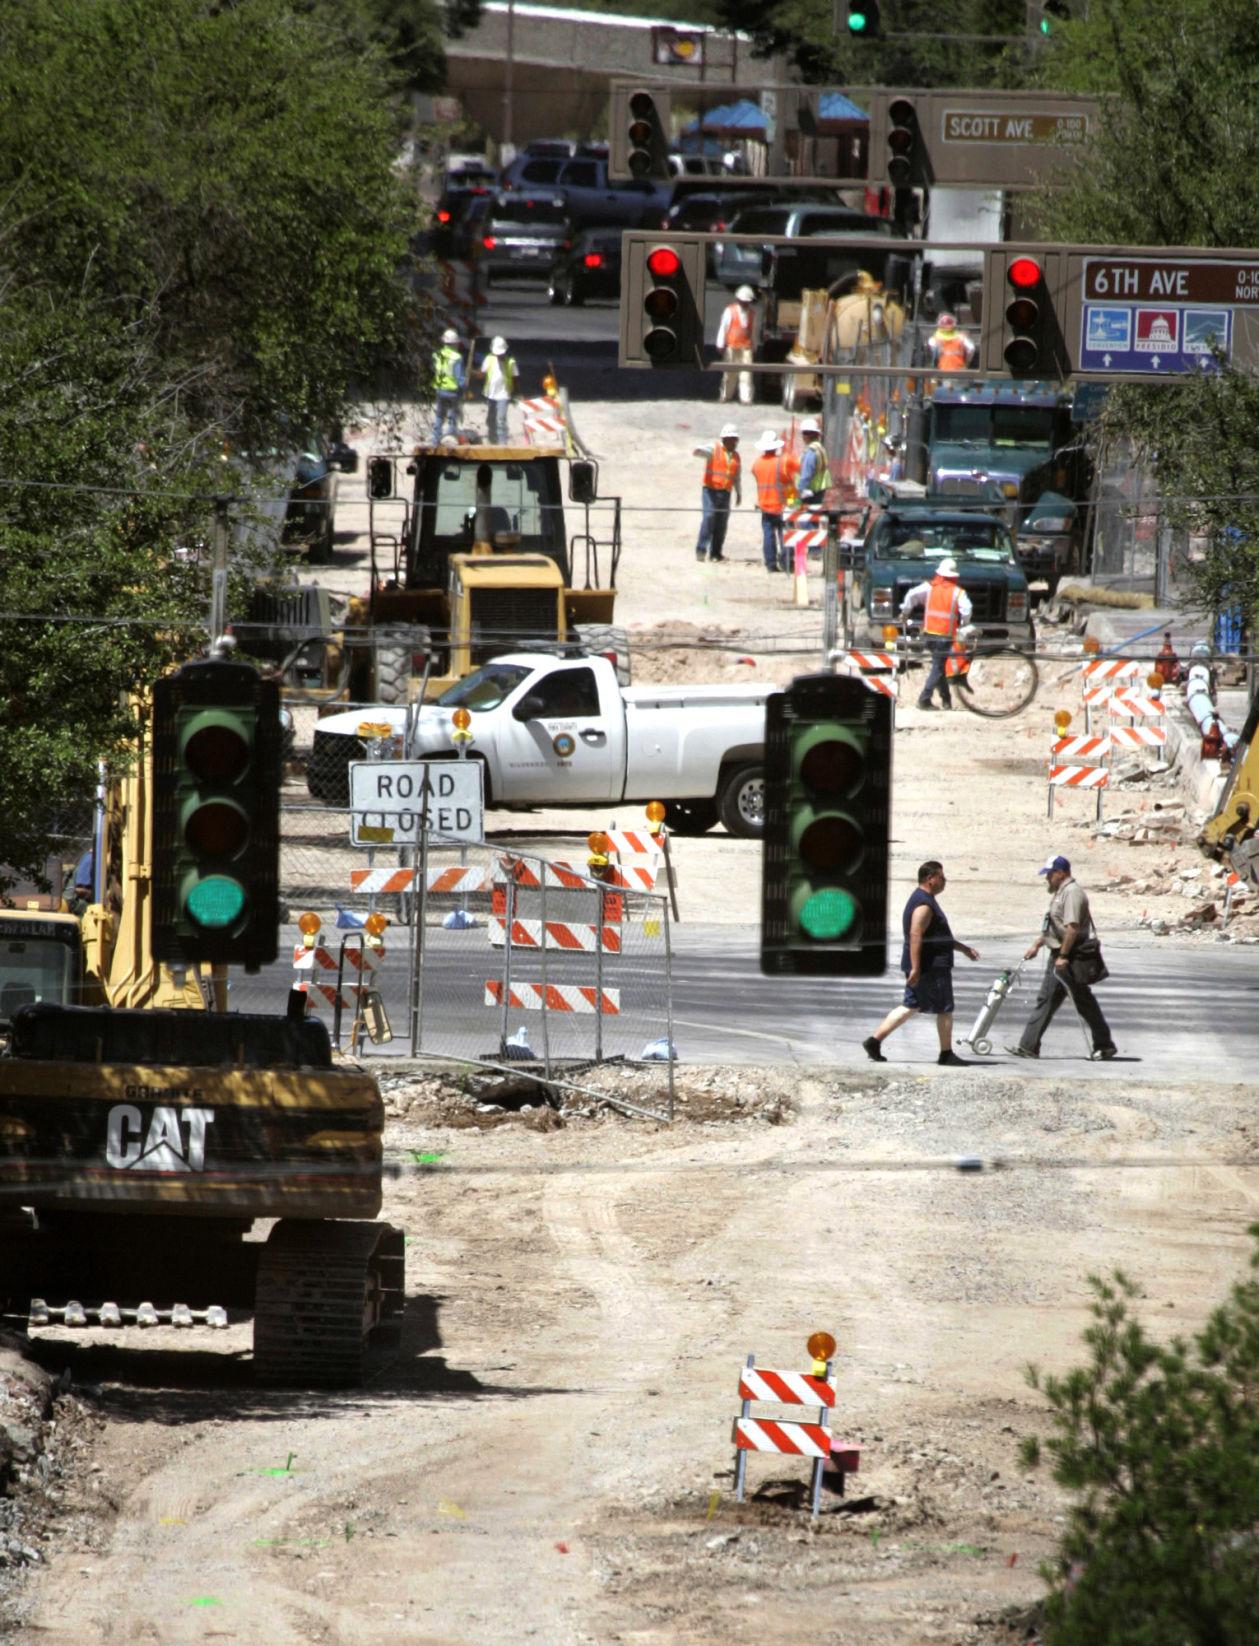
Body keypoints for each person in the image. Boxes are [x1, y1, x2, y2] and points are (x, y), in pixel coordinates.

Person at [863, 860, 980, 1066]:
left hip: (925, 965)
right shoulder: (924, 904)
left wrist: (964, 949)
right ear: (930, 879)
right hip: (930, 967)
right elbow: (916, 934)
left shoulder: (925, 900)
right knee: (945, 1008)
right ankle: (946, 1053)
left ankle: (874, 1041)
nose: (945, 881)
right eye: (942, 878)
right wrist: (916, 967)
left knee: (910, 1005)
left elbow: (937, 936)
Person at [1007, 855, 1117, 1062]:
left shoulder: (1073, 893)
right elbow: (1055, 926)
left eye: (1050, 874)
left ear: (1061, 873)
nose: (1047, 878)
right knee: (1062, 1000)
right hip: (1061, 954)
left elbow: (1072, 928)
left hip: (1070, 956)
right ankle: (1029, 1046)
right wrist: (1038, 945)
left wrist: (1063, 956)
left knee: (1074, 1001)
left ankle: (1103, 1045)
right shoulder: (1062, 892)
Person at [901, 556, 971, 711]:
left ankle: (946, 700)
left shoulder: (929, 587)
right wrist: (964, 625)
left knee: (938, 666)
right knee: (938, 667)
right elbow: (967, 610)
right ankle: (924, 699)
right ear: (954, 576)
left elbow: (911, 595)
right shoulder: (958, 592)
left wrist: (905, 613)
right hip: (945, 636)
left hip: (929, 634)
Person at [692, 425, 742, 562]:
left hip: (725, 492)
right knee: (709, 517)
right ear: (726, 439)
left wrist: (738, 493)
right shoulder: (714, 449)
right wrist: (700, 450)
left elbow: (736, 476)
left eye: (736, 440)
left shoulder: (736, 457)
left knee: (721, 523)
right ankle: (701, 550)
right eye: (732, 439)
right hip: (710, 490)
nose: (735, 443)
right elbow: (697, 452)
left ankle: (716, 553)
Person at [750, 429, 795, 572]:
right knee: (785, 534)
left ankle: (770, 564)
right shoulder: (781, 463)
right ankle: (786, 562)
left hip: (765, 505)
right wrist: (794, 503)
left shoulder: (757, 464)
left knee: (768, 535)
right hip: (781, 506)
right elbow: (789, 484)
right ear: (775, 447)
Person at [717, 285, 757, 406]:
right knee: (729, 374)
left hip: (746, 348)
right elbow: (723, 328)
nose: (746, 303)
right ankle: (725, 396)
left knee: (746, 375)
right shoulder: (730, 311)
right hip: (732, 347)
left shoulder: (751, 314)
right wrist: (720, 344)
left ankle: (745, 398)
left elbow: (753, 331)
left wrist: (754, 346)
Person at [477, 335, 518, 444]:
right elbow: (481, 374)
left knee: (501, 420)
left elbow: (515, 378)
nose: (499, 356)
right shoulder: (489, 359)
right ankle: (492, 440)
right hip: (491, 394)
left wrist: (515, 393)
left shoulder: (511, 362)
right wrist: (476, 373)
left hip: (504, 395)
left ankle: (502, 443)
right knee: (490, 419)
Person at [432, 328, 465, 443]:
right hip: (452, 391)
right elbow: (459, 377)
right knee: (452, 416)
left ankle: (435, 441)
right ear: (455, 343)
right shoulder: (456, 357)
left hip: (440, 389)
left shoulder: (437, 355)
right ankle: (450, 440)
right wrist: (463, 389)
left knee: (439, 416)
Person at [796, 417, 830, 501]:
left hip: (809, 492)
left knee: (795, 508)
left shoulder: (811, 451)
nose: (803, 436)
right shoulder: (820, 448)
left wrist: (798, 491)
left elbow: (806, 475)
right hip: (820, 490)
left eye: (804, 433)